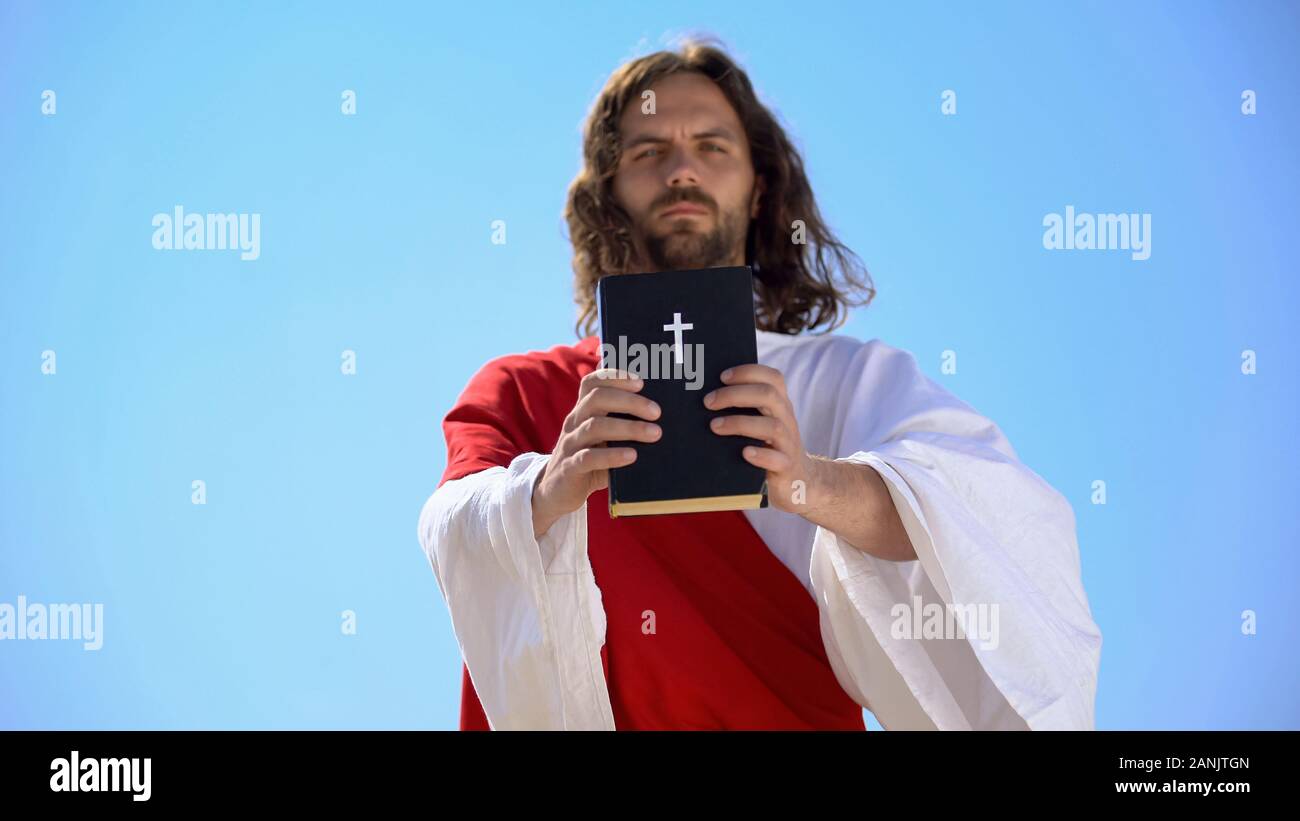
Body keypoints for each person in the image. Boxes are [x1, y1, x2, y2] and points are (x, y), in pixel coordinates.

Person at [417, 38, 1101, 730]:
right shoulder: (525, 389)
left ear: (758, 190)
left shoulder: (846, 380)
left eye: (712, 147)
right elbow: (451, 526)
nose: (682, 169)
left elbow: (991, 514)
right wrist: (545, 489)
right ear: (609, 193)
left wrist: (806, 480)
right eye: (648, 152)